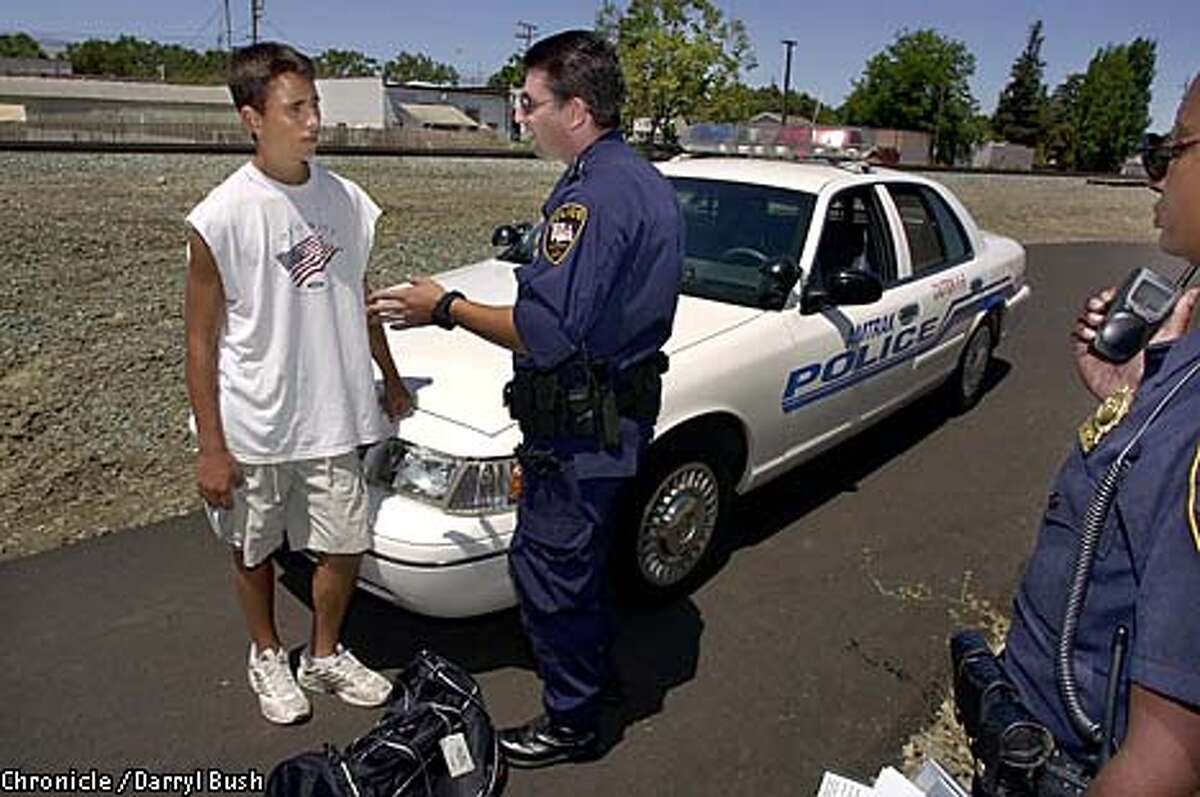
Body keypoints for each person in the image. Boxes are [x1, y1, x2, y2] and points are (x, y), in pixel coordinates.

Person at [367, 30, 683, 767]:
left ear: (576, 109)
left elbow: (544, 330)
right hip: (611, 418)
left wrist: (443, 306)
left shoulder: (594, 195)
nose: (520, 115)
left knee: (549, 569)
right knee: (580, 563)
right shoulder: (631, 178)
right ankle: (595, 681)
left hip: (580, 432)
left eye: (530, 101)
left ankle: (572, 722)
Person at [184, 42, 412, 725]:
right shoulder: (220, 216)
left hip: (335, 414)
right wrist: (211, 446)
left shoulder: (346, 200)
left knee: (343, 541)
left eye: (315, 105)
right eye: (296, 108)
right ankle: (266, 653)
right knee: (252, 547)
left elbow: (357, 294)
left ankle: (323, 653)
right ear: (253, 118)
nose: (313, 121)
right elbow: (199, 339)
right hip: (255, 418)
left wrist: (390, 376)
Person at [998, 74, 1200, 794]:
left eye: (1169, 149)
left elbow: (1169, 756)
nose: (1155, 177)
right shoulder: (1185, 346)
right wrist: (1128, 401)